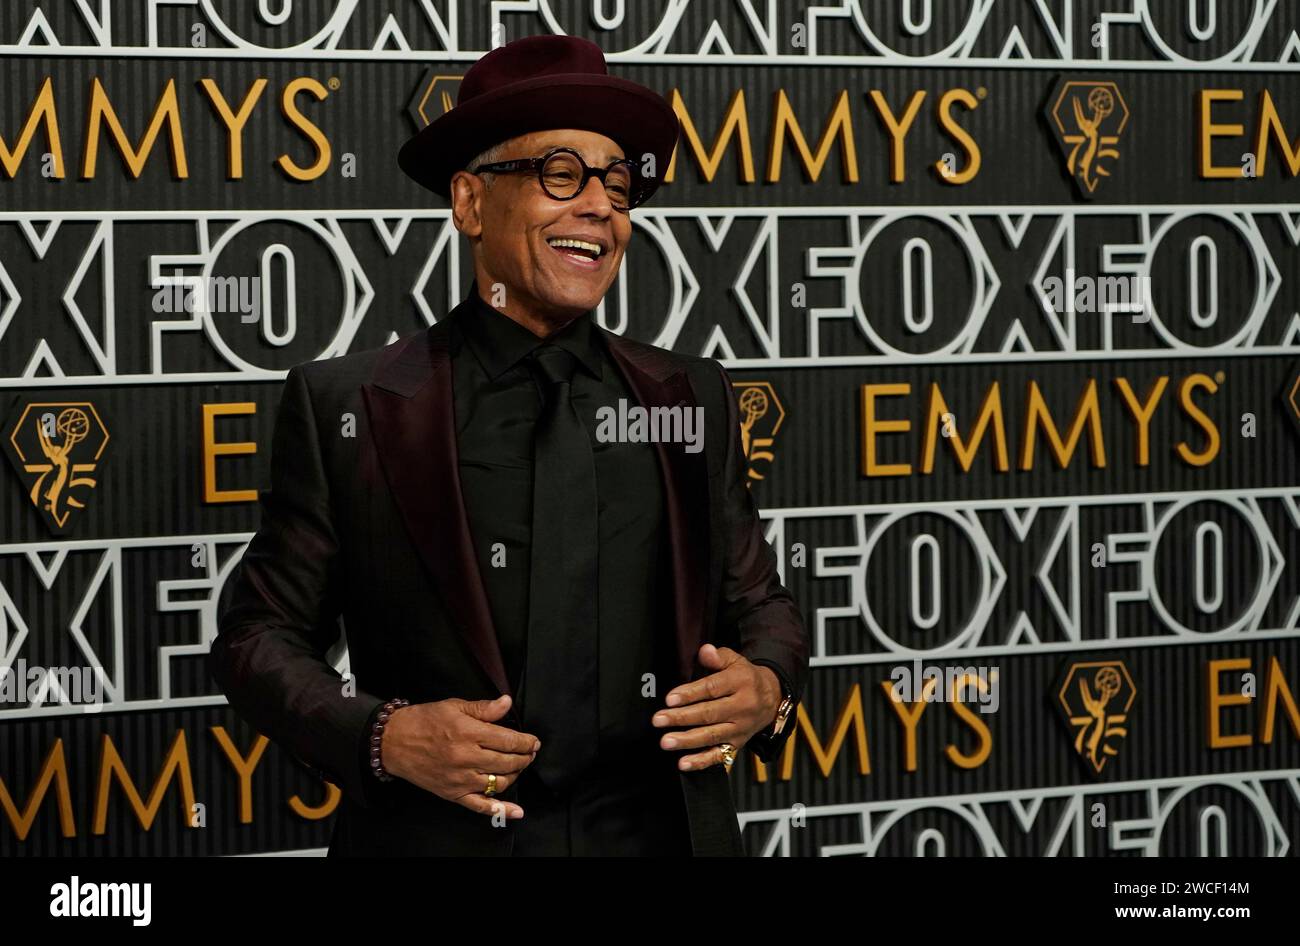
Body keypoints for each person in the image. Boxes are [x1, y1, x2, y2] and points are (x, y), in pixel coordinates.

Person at [210, 33, 808, 856]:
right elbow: (257, 636)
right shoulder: (349, 404)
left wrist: (766, 684)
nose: (599, 205)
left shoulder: (688, 395)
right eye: (561, 173)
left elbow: (760, 603)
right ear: (470, 201)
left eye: (618, 183)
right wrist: (383, 737)